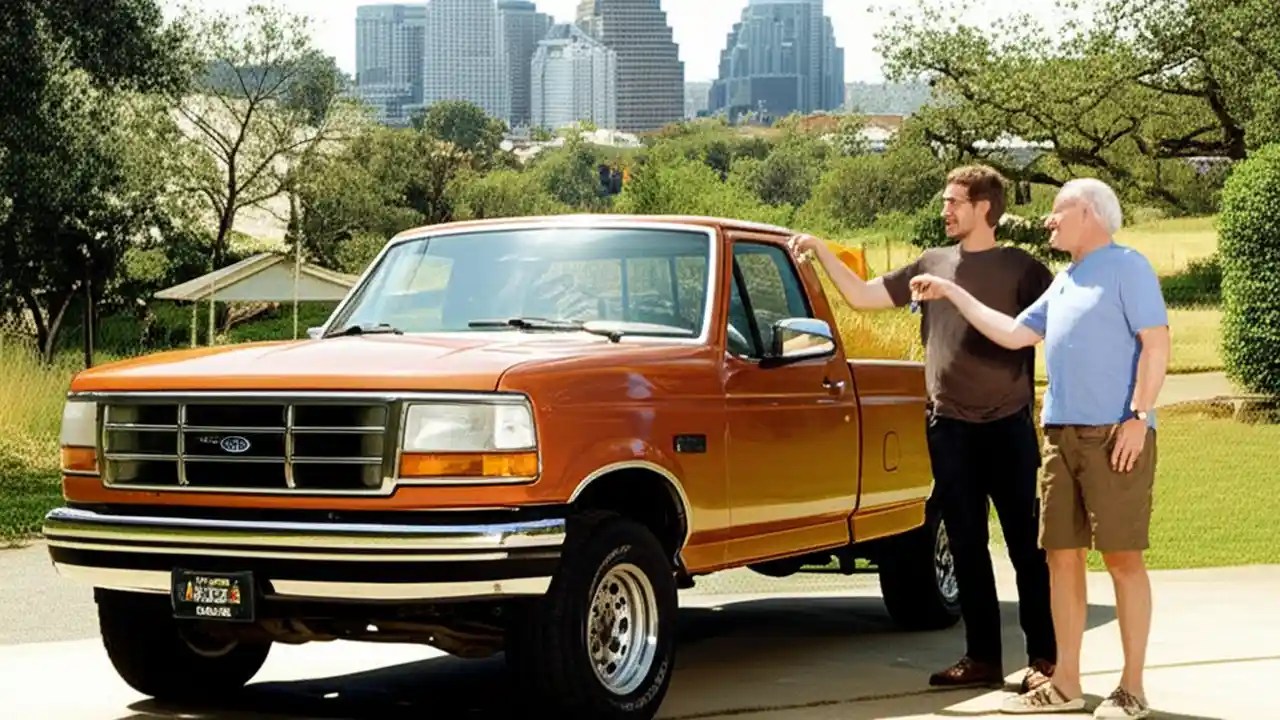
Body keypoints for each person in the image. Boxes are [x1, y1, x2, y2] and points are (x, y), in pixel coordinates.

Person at [789, 165, 1058, 694]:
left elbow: (1042, 332)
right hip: (948, 427)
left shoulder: (1023, 269)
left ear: (984, 207)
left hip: (1008, 428)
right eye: (944, 201)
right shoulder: (932, 263)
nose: (945, 210)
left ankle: (1045, 659)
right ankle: (981, 658)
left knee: (1028, 547)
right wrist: (821, 251)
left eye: (954, 201)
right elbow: (864, 296)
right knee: (965, 543)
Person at [908, 177, 1170, 718]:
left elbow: (1156, 343)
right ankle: (1065, 682)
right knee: (1060, 558)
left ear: (1091, 215)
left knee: (1122, 560)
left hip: (1113, 433)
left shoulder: (1128, 267)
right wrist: (951, 291)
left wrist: (1138, 417)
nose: (1049, 220)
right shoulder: (1068, 279)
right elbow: (1012, 333)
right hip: (1059, 436)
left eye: (1059, 211)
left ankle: (1132, 689)